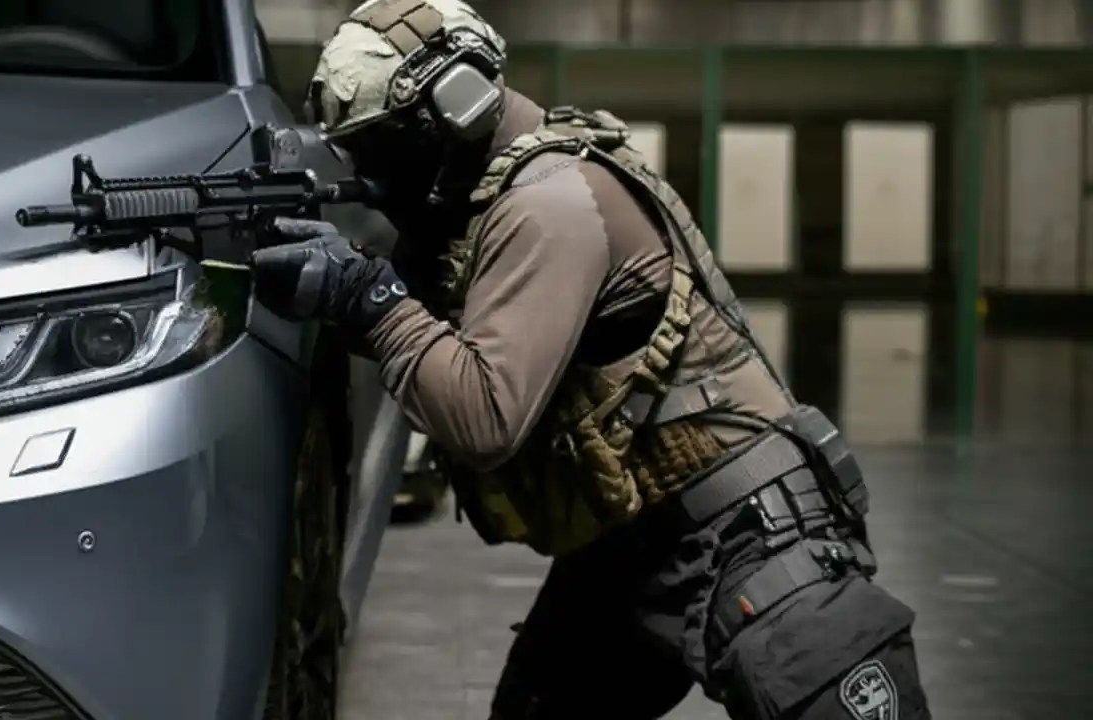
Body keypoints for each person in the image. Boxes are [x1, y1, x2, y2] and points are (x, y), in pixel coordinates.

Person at [251, 0, 931, 718]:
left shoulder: (548, 204)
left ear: (457, 109)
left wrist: (371, 300)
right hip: (636, 533)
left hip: (751, 531)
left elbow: (485, 418)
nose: (375, 181)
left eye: (386, 151)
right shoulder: (489, 194)